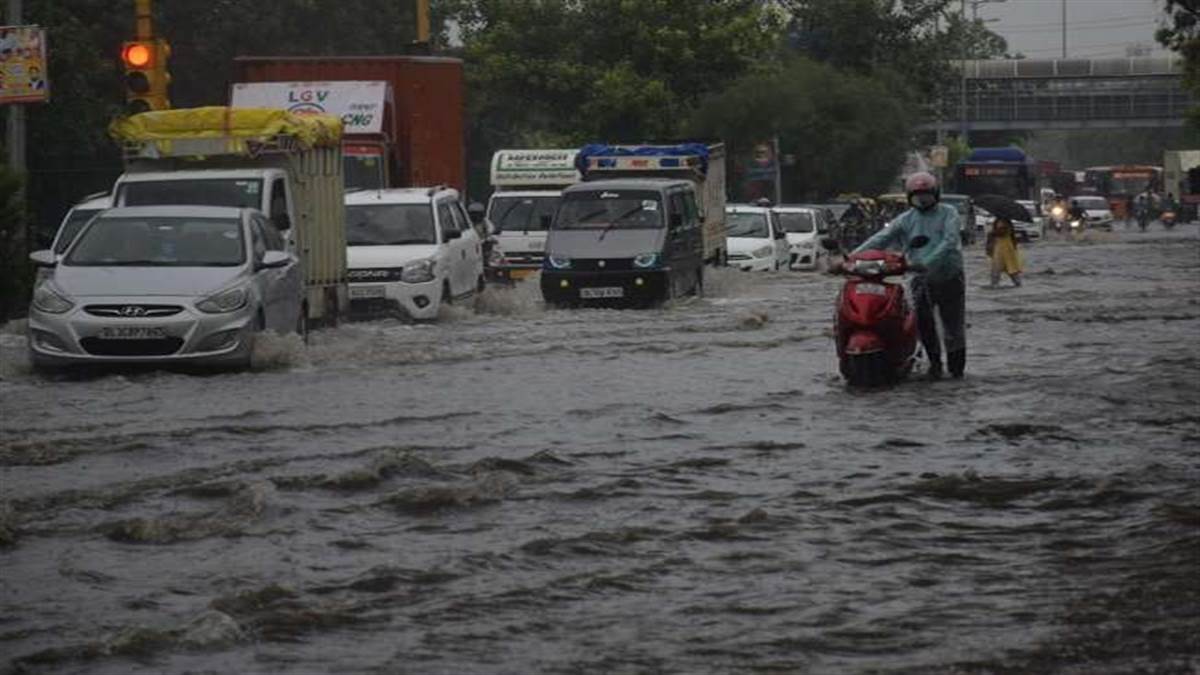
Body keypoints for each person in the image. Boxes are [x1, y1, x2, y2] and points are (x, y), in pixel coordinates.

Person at [851, 172, 966, 379]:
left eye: (927, 195)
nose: (922, 200)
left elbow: (949, 242)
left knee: (953, 326)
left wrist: (926, 262)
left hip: (949, 276)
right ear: (909, 198)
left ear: (936, 194)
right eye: (917, 196)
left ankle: (957, 370)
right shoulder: (906, 220)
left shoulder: (949, 213)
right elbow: (880, 239)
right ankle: (934, 364)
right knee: (922, 323)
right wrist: (850, 259)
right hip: (918, 278)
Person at [986, 217, 1022, 288]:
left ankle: (1017, 282)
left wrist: (992, 233)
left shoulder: (1006, 223)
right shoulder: (999, 221)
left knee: (1010, 267)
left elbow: (1002, 232)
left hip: (1005, 248)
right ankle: (995, 283)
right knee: (997, 267)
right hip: (1000, 247)